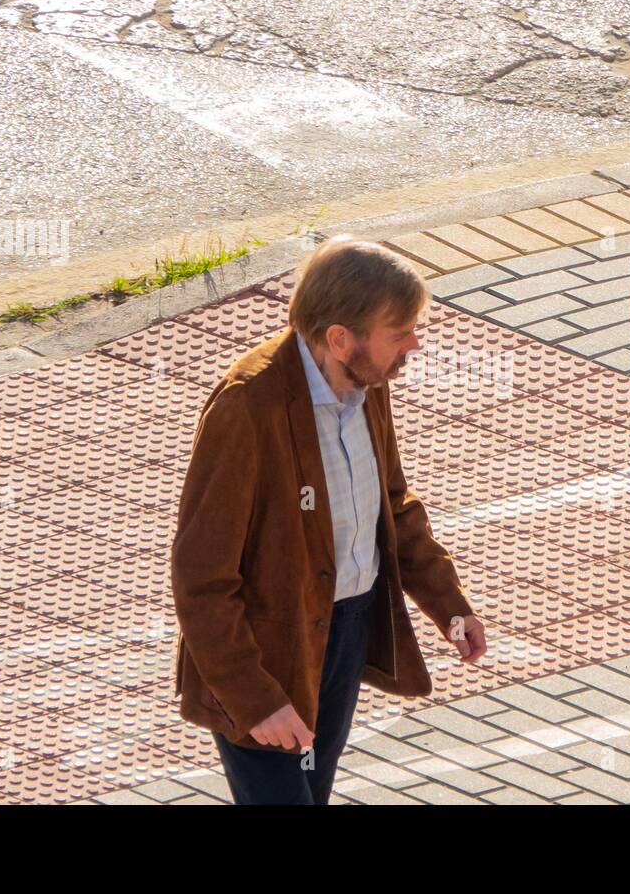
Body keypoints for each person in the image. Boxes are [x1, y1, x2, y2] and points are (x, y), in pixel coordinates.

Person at [171, 234, 487, 805]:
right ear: (340, 339)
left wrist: (449, 603)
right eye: (399, 333)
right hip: (267, 651)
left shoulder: (367, 382)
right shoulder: (248, 406)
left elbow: (392, 504)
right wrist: (255, 698)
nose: (414, 344)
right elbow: (200, 577)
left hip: (344, 631)